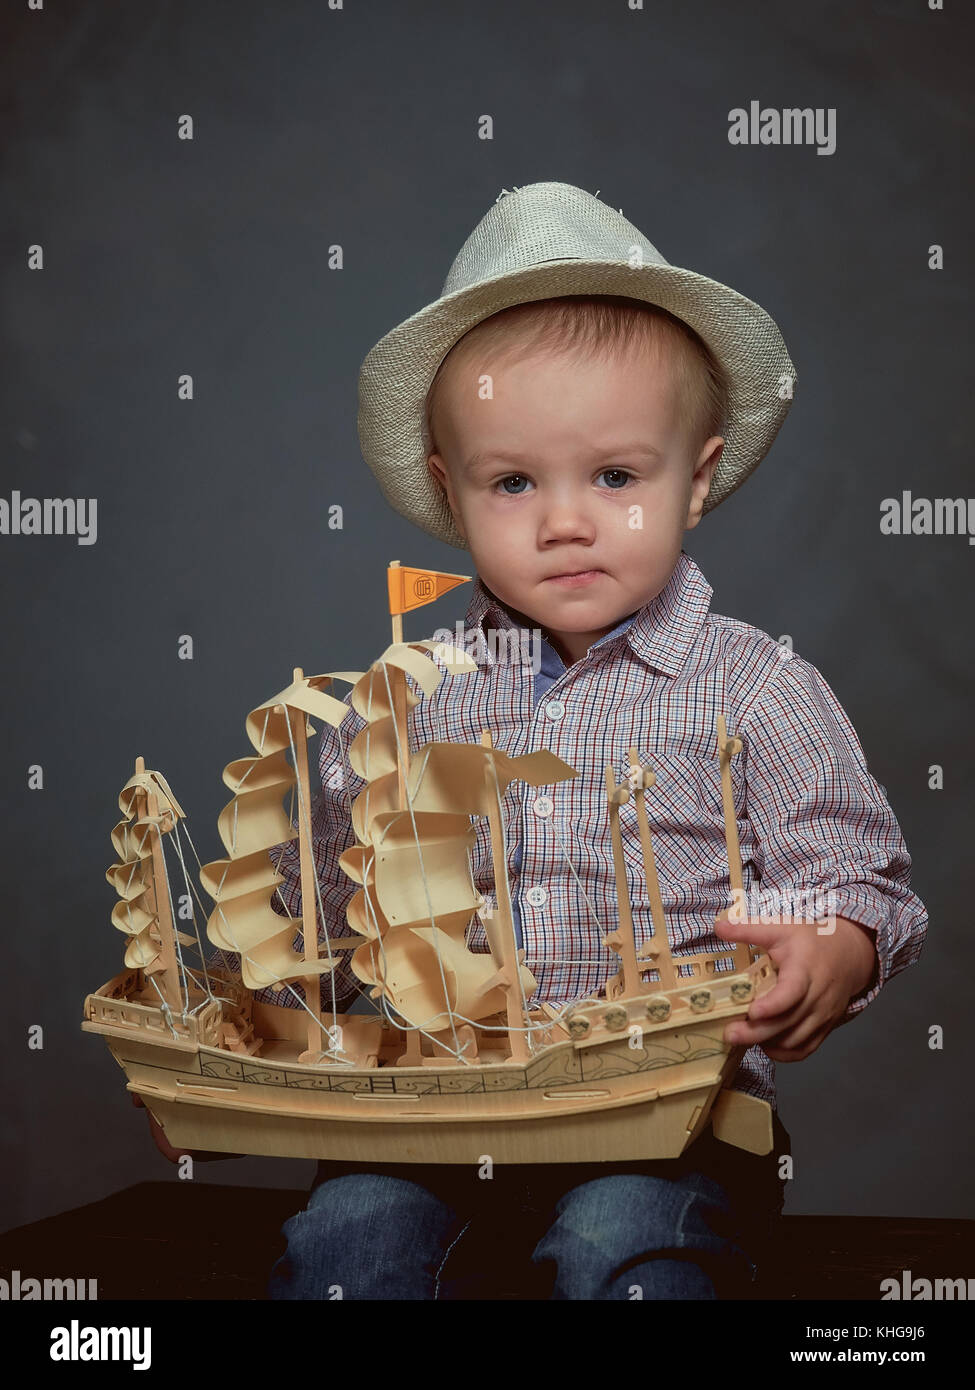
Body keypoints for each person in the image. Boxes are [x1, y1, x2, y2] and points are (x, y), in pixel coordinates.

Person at [155, 183, 929, 1298]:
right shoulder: (406, 699)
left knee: (621, 1245)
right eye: (513, 482)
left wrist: (833, 947)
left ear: (695, 479)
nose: (564, 519)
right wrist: (233, 1030)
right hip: (434, 1118)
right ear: (450, 494)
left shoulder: (760, 688)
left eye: (615, 476)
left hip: (664, 1128)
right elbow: (309, 902)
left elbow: (860, 877)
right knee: (347, 1245)